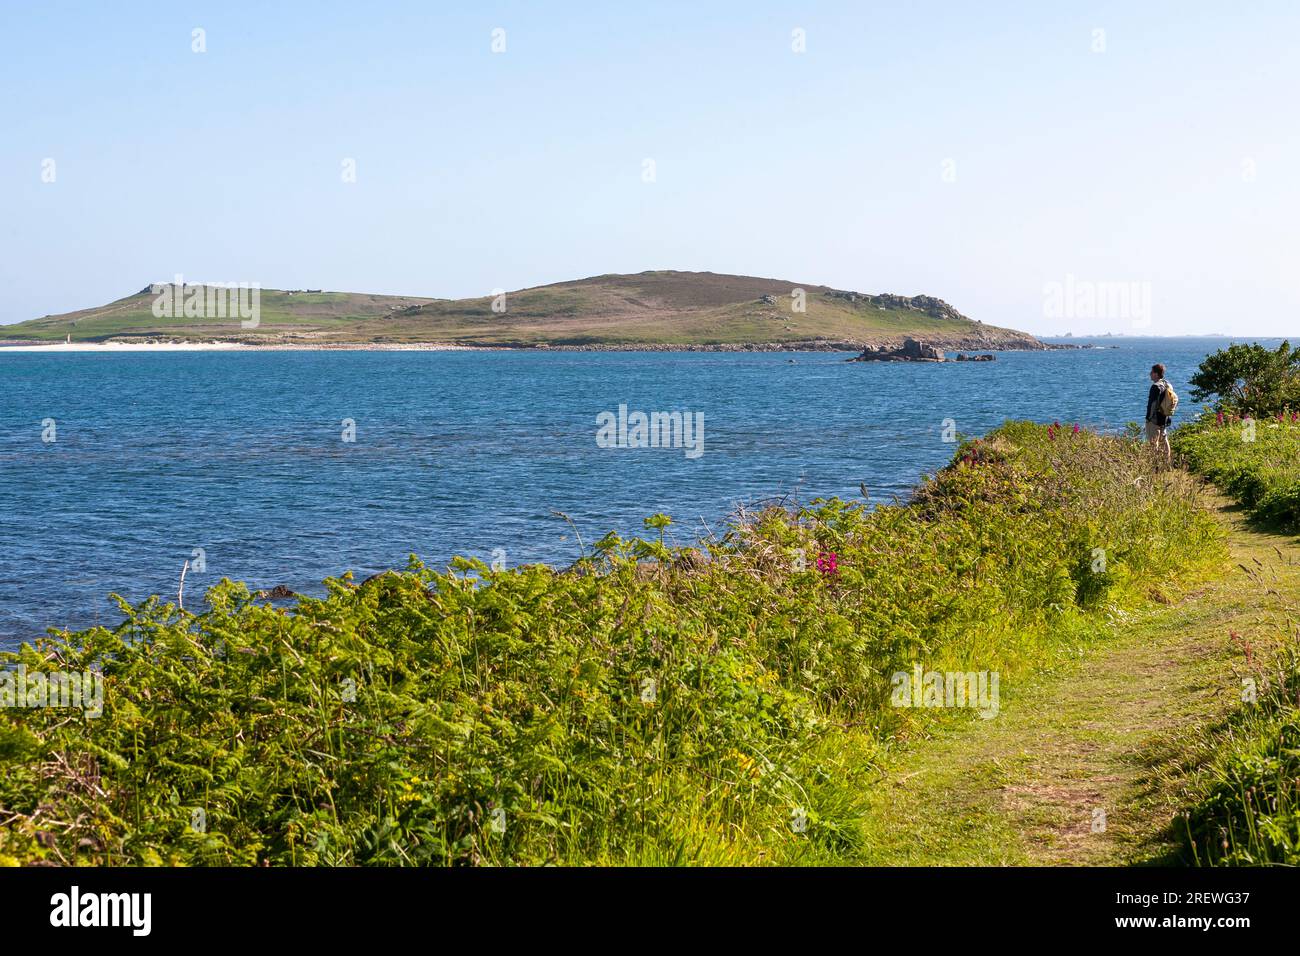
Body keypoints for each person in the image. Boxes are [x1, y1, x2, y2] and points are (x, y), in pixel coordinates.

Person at [1145, 363, 1173, 466]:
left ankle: (1155, 466)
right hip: (1164, 418)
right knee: (1164, 441)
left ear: (1156, 374)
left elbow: (1152, 404)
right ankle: (1167, 464)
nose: (1150, 374)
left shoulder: (1155, 387)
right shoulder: (1167, 384)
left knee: (1154, 443)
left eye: (1151, 372)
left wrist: (1148, 418)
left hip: (1154, 420)